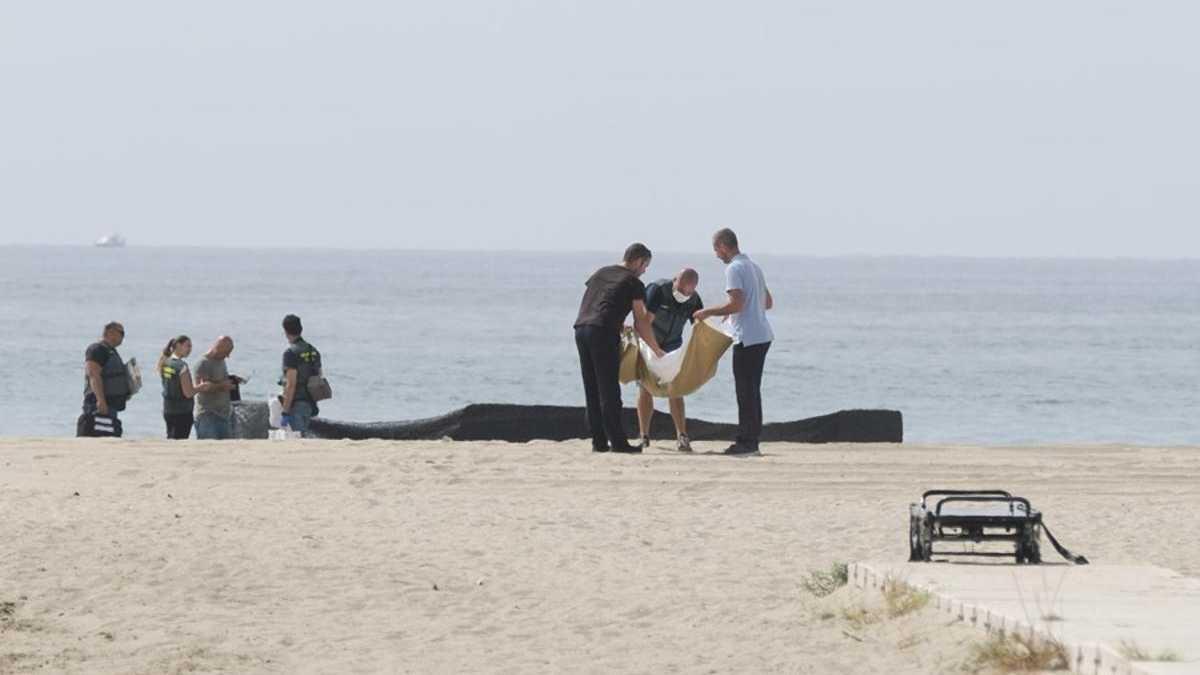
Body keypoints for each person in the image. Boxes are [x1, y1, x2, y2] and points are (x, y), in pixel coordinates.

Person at [573, 243, 666, 454]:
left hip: (582, 328)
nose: (644, 271)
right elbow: (641, 321)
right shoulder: (633, 282)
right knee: (609, 390)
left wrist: (615, 322)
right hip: (603, 333)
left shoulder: (601, 272)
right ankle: (618, 442)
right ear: (638, 261)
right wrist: (656, 349)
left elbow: (599, 301)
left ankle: (598, 441)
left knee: (592, 388)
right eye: (645, 266)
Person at [694, 228, 774, 455]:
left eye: (716, 250)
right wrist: (738, 311)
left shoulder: (734, 268)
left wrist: (707, 312)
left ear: (723, 246)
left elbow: (736, 303)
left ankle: (746, 442)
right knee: (753, 390)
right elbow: (767, 302)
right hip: (762, 335)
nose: (716, 255)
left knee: (745, 391)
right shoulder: (754, 267)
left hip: (747, 337)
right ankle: (752, 439)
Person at [636, 268, 704, 452]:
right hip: (650, 341)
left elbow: (699, 326)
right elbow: (643, 322)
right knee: (646, 387)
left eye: (688, 292)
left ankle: (682, 435)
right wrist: (654, 349)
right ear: (675, 280)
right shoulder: (658, 290)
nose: (684, 295)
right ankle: (644, 436)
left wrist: (696, 354)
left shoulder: (694, 299)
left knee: (676, 389)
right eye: (681, 290)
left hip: (673, 344)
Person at [77, 322, 131, 437]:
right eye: (121, 333)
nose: (123, 337)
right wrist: (100, 401)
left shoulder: (111, 351)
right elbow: (93, 374)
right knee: (94, 434)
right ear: (110, 332)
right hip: (97, 404)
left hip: (111, 404)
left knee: (109, 435)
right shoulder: (97, 349)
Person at [279, 314, 323, 437]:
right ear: (300, 329)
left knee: (297, 438)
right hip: (310, 403)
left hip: (296, 403)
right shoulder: (313, 350)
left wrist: (285, 412)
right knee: (304, 436)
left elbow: (291, 385)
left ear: (286, 331)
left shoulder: (290, 353)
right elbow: (319, 377)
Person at [193, 336, 241, 440]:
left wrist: (233, 379)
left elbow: (219, 378)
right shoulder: (203, 363)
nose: (228, 356)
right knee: (209, 449)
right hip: (208, 415)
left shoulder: (221, 361)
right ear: (218, 348)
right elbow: (202, 388)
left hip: (224, 414)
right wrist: (222, 386)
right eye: (226, 352)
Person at [156, 335, 196, 439]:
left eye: (191, 347)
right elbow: (188, 392)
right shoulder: (181, 366)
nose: (190, 349)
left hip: (168, 409)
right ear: (178, 345)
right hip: (182, 411)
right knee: (180, 441)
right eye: (188, 346)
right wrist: (202, 387)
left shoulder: (165, 363)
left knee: (171, 438)